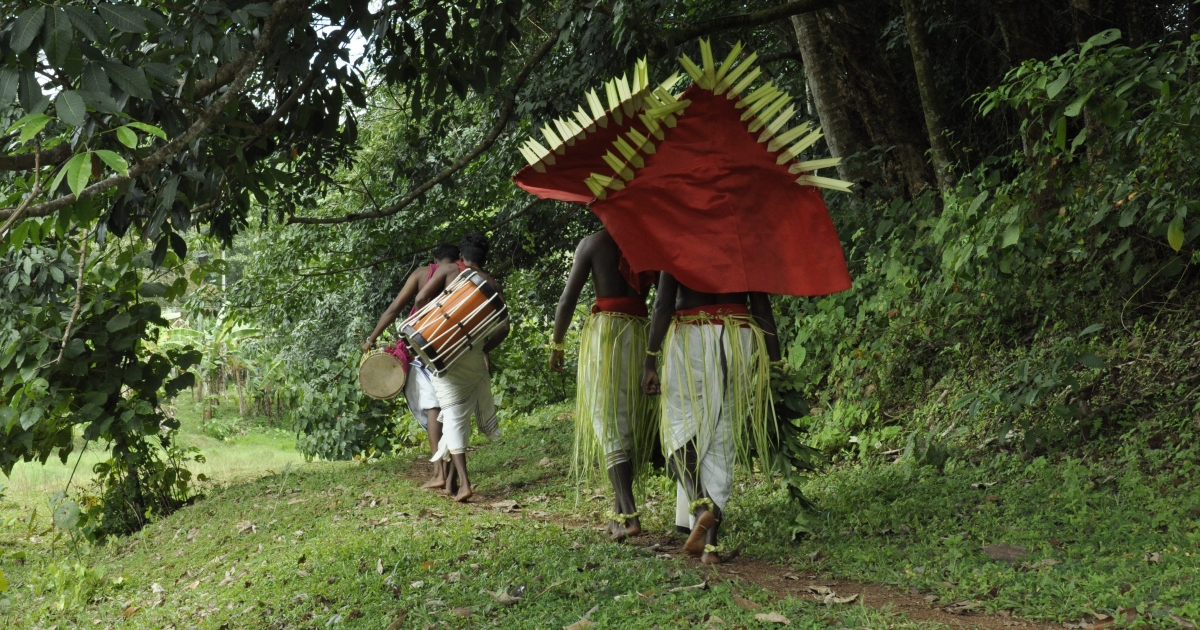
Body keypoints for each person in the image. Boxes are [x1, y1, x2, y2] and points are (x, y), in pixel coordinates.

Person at [641, 272, 781, 564]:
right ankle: (710, 547)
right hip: (739, 336)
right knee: (723, 434)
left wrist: (650, 360)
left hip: (691, 332)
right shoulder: (741, 236)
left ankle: (699, 505)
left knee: (678, 429)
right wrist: (776, 362)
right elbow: (762, 307)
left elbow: (662, 306)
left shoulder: (678, 236)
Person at [549, 229, 656, 541]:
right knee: (630, 419)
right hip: (640, 334)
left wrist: (557, 343)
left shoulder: (593, 244)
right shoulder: (648, 240)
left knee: (607, 420)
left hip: (606, 334)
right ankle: (619, 512)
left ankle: (630, 513)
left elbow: (568, 299)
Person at [413, 233, 509, 502]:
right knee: (458, 413)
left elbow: (420, 301)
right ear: (483, 259)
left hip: (445, 353)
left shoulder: (449, 270)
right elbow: (504, 327)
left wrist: (438, 327)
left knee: (454, 417)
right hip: (474, 356)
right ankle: (451, 482)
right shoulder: (492, 284)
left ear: (461, 257)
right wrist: (482, 349)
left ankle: (465, 484)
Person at [362, 243, 462, 489]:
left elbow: (395, 309)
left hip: (421, 347)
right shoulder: (463, 276)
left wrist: (371, 339)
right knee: (448, 407)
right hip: (453, 348)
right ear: (458, 257)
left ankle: (439, 472)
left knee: (432, 406)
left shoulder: (421, 275)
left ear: (434, 258)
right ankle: (449, 475)